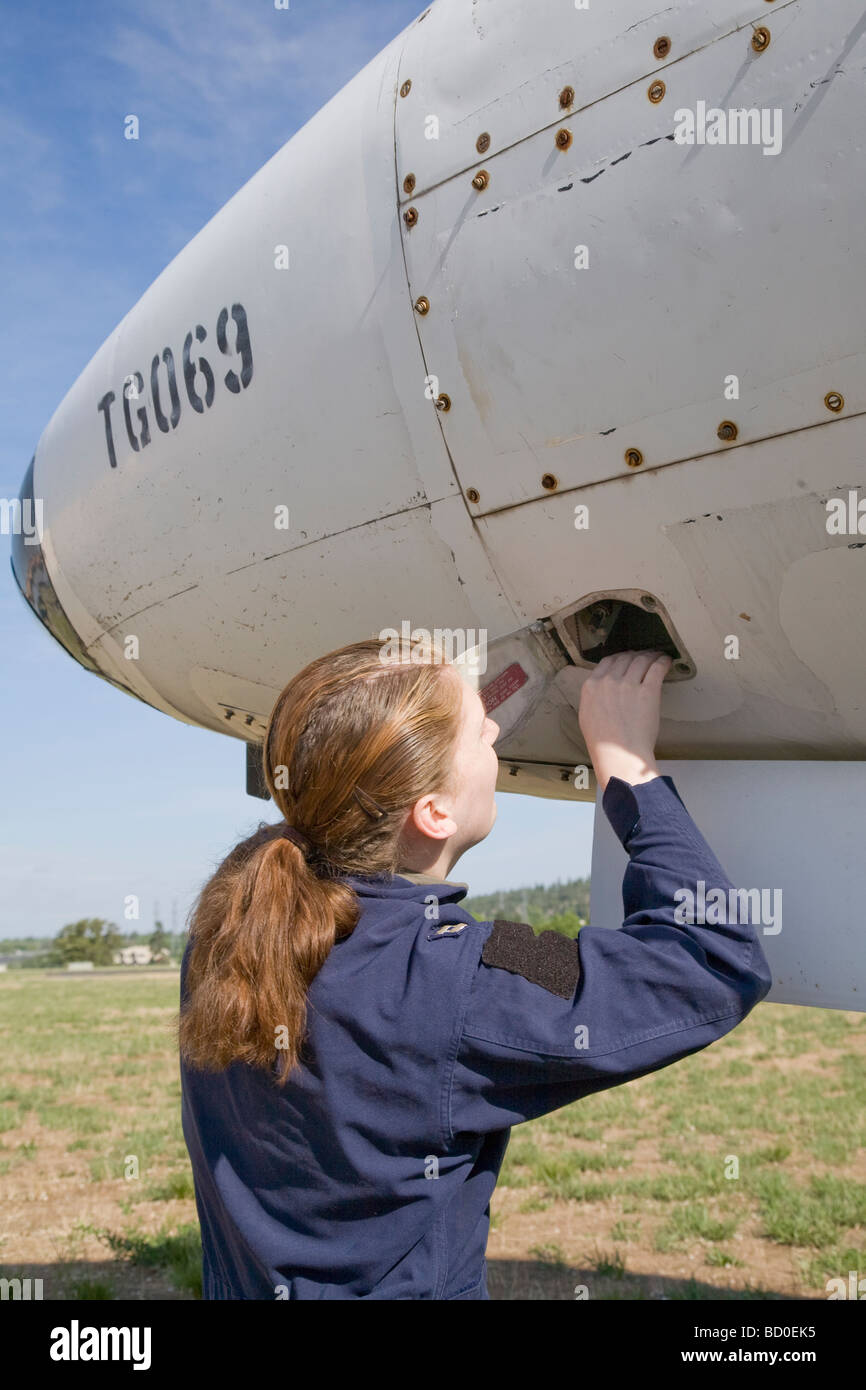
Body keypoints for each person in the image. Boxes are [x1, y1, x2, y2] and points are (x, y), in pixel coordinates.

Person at [177, 638, 772, 1300]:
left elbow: (325, 808)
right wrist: (627, 770)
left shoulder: (231, 929)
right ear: (434, 812)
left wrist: (437, 723)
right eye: (480, 734)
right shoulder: (454, 976)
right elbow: (711, 957)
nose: (495, 727)